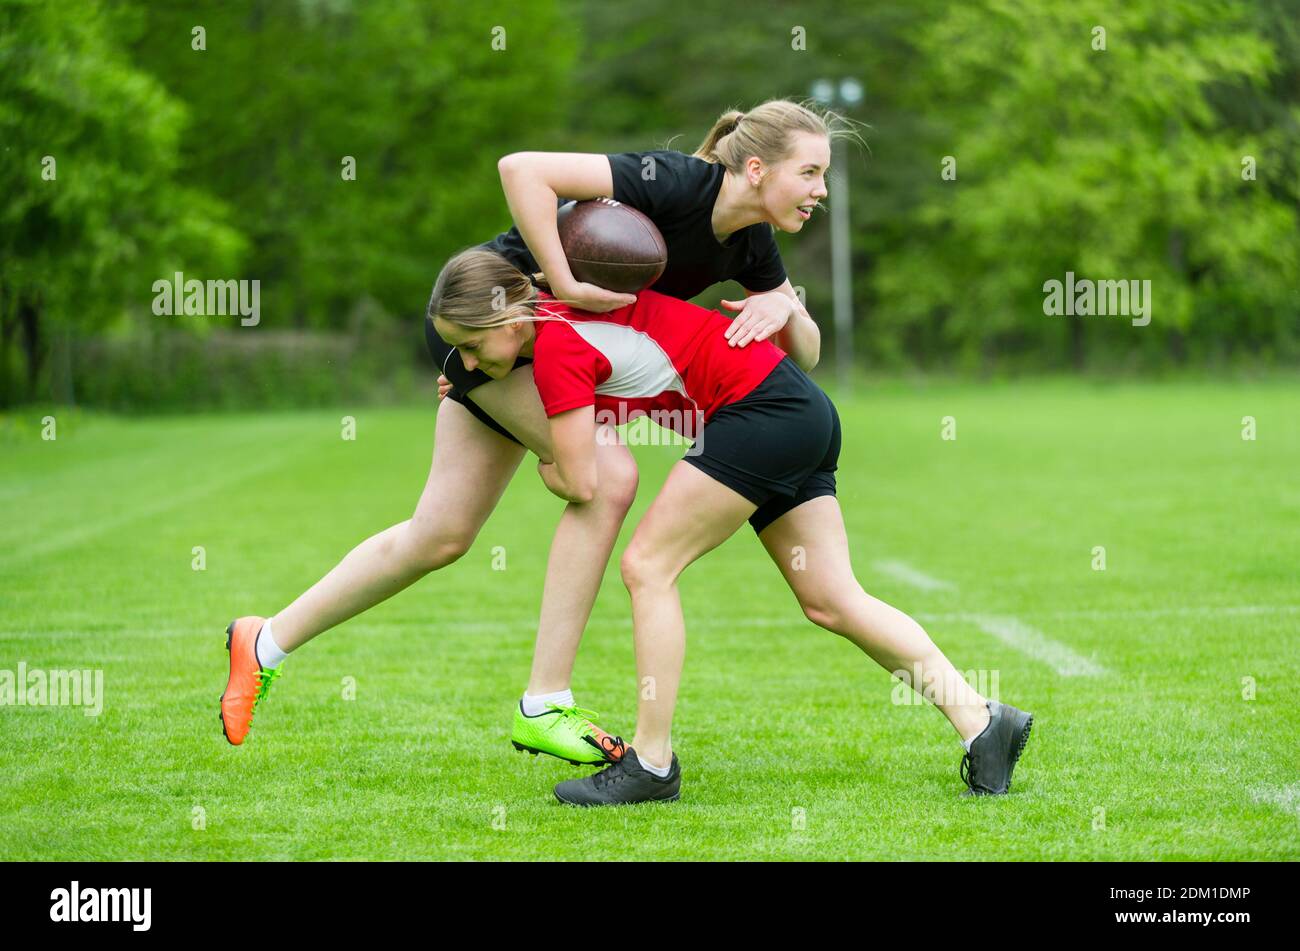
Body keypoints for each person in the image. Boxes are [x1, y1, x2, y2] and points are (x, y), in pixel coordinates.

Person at [220, 100, 840, 767]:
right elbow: (521, 170)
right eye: (809, 171)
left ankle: (264, 642)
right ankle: (544, 703)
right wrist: (558, 284)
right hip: (487, 325)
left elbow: (802, 356)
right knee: (604, 481)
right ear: (756, 166)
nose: (821, 190)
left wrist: (787, 302)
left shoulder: (753, 243)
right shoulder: (673, 181)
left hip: (532, 347)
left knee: (440, 534)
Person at [429, 249, 1035, 803]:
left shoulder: (558, 346)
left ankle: (652, 764)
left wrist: (541, 456)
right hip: (801, 408)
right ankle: (983, 722)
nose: (472, 365)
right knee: (831, 599)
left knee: (648, 567)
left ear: (510, 320)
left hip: (757, 413)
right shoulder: (572, 311)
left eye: (473, 347)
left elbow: (580, 483)